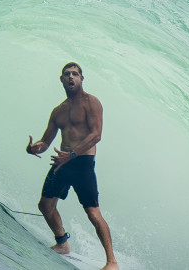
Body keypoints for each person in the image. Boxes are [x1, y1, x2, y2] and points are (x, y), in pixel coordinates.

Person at [25, 62, 119, 270]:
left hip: (82, 163)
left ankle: (112, 262)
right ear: (61, 79)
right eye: (67, 74)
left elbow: (96, 135)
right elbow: (46, 142)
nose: (71, 77)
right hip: (63, 162)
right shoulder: (58, 111)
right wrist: (34, 148)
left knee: (93, 213)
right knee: (45, 206)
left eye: (75, 74)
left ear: (81, 79)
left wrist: (73, 154)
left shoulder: (91, 102)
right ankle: (62, 243)